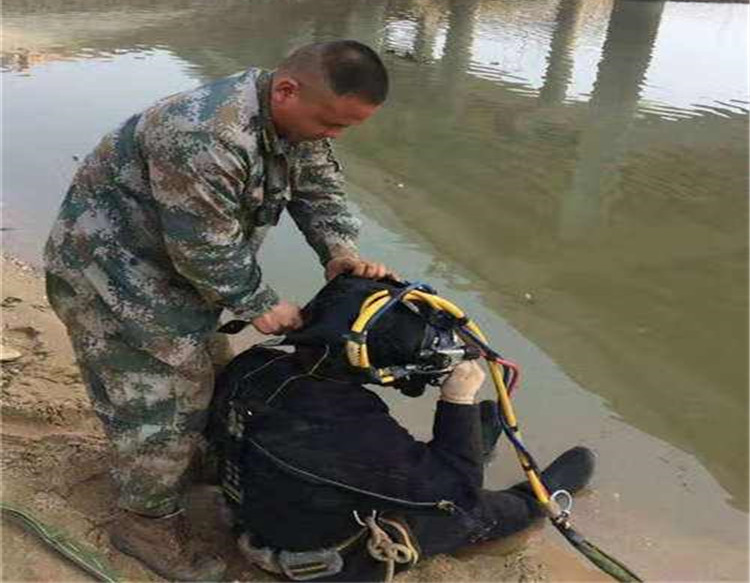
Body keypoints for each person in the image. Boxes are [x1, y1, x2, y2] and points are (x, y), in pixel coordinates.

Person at [43, 41, 395, 581]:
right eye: (330, 122)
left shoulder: (294, 122)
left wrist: (339, 253)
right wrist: (260, 303)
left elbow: (319, 190)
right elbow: (202, 248)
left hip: (177, 281)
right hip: (113, 278)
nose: (334, 135)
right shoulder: (203, 133)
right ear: (287, 89)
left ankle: (183, 468)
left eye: (346, 128)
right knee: (164, 403)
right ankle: (143, 520)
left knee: (214, 377)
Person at [209, 275, 596, 582]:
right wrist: (456, 401)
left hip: (262, 512)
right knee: (465, 509)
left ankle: (470, 445)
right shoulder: (353, 430)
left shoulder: (256, 364)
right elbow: (456, 493)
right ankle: (535, 498)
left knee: (429, 461)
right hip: (328, 562)